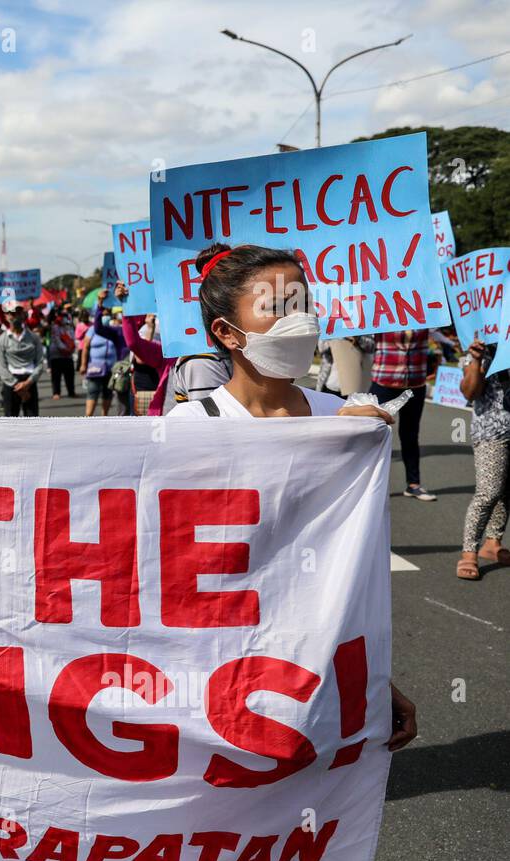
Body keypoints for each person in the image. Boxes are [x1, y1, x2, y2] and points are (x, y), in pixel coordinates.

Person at [164, 243, 417, 751]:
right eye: (275, 308)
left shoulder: (342, 418)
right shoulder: (188, 430)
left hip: (317, 675)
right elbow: (165, 575)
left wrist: (374, 682)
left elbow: (350, 575)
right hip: (214, 675)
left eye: (301, 304)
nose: (297, 321)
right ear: (225, 332)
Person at [455, 338, 510, 580]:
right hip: (491, 431)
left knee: (506, 492)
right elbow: (470, 391)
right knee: (489, 492)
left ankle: (492, 543)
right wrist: (477, 360)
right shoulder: (480, 347)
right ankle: (469, 554)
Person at [371, 328, 434, 501]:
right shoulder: (381, 312)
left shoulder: (427, 313)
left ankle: (413, 485)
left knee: (410, 435)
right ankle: (370, 487)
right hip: (384, 381)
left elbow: (443, 320)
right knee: (374, 435)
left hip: (415, 384)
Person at [79, 290, 124, 417]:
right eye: (103, 311)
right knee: (93, 392)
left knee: (107, 393)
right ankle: (89, 417)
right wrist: (83, 364)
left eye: (108, 311)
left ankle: (104, 417)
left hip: (111, 368)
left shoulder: (115, 330)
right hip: (95, 368)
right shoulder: (93, 329)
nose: (106, 313)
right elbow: (86, 347)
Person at [0, 308, 44, 417]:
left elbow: (40, 363)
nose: (13, 316)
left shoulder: (34, 338)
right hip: (11, 383)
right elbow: (1, 367)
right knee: (10, 421)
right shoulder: (1, 340)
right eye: (10, 313)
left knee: (32, 421)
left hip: (29, 380)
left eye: (17, 313)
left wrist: (27, 383)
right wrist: (18, 387)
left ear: (22, 314)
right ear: (6, 316)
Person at [47, 311, 77, 399]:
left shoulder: (69, 327)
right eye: (61, 316)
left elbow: (73, 338)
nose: (63, 318)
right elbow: (57, 340)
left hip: (68, 355)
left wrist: (71, 349)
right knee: (56, 376)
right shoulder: (54, 327)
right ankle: (56, 392)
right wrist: (64, 349)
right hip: (57, 355)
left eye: (64, 316)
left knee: (70, 375)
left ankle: (71, 391)